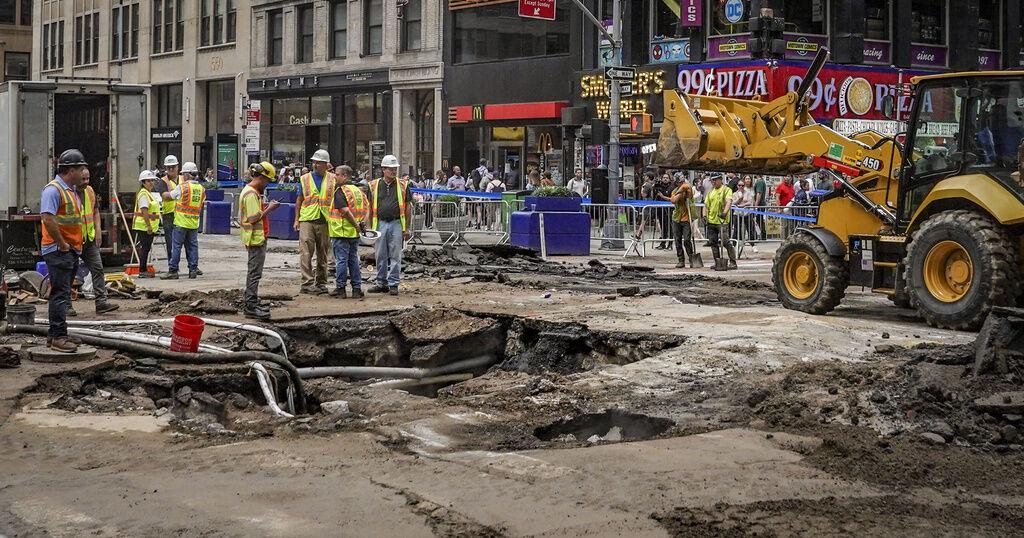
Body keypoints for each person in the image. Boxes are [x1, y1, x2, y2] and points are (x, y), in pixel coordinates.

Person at [40, 150, 89, 352]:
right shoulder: (54, 190)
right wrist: (61, 244)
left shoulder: (70, 190)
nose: (83, 173)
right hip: (59, 250)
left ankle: (56, 335)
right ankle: (59, 337)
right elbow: (47, 218)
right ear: (71, 171)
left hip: (69, 249)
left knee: (62, 293)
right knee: (60, 294)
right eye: (81, 169)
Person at [240, 162, 282, 319]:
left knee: (254, 272)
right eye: (268, 181)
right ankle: (250, 307)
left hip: (256, 238)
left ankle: (252, 303)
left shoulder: (251, 191)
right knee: (254, 273)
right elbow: (252, 218)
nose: (267, 184)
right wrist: (269, 209)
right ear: (262, 178)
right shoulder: (251, 194)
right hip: (255, 239)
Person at [367, 154, 413, 295]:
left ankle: (393, 284)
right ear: (383, 169)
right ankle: (381, 283)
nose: (393, 171)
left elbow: (408, 207)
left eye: (395, 169)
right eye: (391, 169)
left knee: (395, 255)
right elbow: (369, 207)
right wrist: (369, 227)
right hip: (380, 223)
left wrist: (407, 228)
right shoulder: (373, 185)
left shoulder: (403, 185)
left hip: (396, 223)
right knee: (380, 255)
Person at [293, 149, 335, 295]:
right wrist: (296, 220)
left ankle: (321, 282)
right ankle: (307, 283)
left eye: (318, 162)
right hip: (307, 219)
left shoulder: (333, 179)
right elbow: (299, 200)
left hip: (325, 220)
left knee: (323, 254)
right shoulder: (305, 179)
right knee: (306, 252)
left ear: (326, 164)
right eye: (314, 162)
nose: (315, 165)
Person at [78, 168, 119, 314]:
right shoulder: (68, 193)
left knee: (98, 268)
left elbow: (95, 211)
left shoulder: (89, 191)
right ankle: (66, 305)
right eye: (83, 179)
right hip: (74, 240)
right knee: (69, 273)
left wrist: (98, 229)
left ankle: (101, 302)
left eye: (87, 178)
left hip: (89, 239)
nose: (86, 182)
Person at [328, 165, 368, 298]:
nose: (335, 177)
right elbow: (367, 208)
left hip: (341, 232)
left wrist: (356, 225)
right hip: (354, 234)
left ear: (345, 176)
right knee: (353, 260)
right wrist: (362, 224)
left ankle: (341, 289)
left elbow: (344, 211)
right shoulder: (357, 191)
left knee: (341, 261)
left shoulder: (341, 191)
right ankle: (357, 289)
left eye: (337, 174)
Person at [161, 162, 206, 279]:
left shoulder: (182, 187)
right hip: (194, 223)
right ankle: (193, 270)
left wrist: (164, 193)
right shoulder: (201, 189)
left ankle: (173, 270)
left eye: (183, 174)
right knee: (193, 247)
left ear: (187, 174)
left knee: (176, 246)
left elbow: (169, 196)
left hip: (181, 222)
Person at [131, 169, 162, 281]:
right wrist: (149, 226)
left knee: (146, 248)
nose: (151, 183)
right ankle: (142, 270)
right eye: (148, 181)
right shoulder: (144, 194)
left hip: (146, 226)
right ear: (143, 182)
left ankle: (143, 270)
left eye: (152, 181)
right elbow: (144, 211)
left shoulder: (148, 194)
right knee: (145, 249)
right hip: (143, 226)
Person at [704, 174, 737, 271]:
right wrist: (704, 216)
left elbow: (728, 202)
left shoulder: (726, 190)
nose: (713, 182)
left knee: (725, 241)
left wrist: (724, 212)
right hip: (711, 221)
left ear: (720, 180)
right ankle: (717, 262)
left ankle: (733, 262)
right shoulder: (711, 192)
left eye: (715, 180)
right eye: (712, 180)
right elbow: (706, 205)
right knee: (713, 243)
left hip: (722, 221)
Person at [156, 155, 180, 267]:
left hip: (182, 215)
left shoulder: (182, 179)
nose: (171, 169)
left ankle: (193, 266)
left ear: (177, 167)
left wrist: (173, 194)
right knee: (170, 243)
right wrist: (178, 194)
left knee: (189, 242)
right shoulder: (163, 181)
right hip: (169, 216)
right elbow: (165, 196)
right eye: (168, 167)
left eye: (173, 167)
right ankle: (172, 266)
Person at [670, 174, 698, 268]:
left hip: (687, 219)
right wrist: (680, 192)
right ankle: (681, 260)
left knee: (686, 240)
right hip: (676, 218)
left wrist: (682, 189)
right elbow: (674, 200)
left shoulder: (688, 189)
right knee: (677, 240)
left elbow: (689, 191)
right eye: (679, 182)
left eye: (682, 182)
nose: (681, 184)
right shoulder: (674, 191)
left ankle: (691, 258)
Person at [753, 175, 768, 241]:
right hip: (760, 204)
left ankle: (762, 235)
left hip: (760, 204)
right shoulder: (760, 181)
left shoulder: (760, 182)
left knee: (759, 220)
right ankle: (761, 235)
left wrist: (755, 206)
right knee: (759, 220)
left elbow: (759, 194)